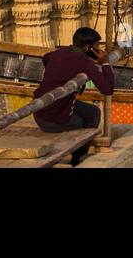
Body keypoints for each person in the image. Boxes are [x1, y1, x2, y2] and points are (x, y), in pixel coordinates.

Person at [32, 27, 116, 165]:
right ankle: (76, 159)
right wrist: (105, 62)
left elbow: (45, 58)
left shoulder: (59, 52)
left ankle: (77, 156)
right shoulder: (84, 62)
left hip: (39, 111)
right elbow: (107, 89)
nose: (99, 50)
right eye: (97, 46)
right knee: (80, 123)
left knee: (93, 112)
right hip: (52, 120)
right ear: (88, 48)